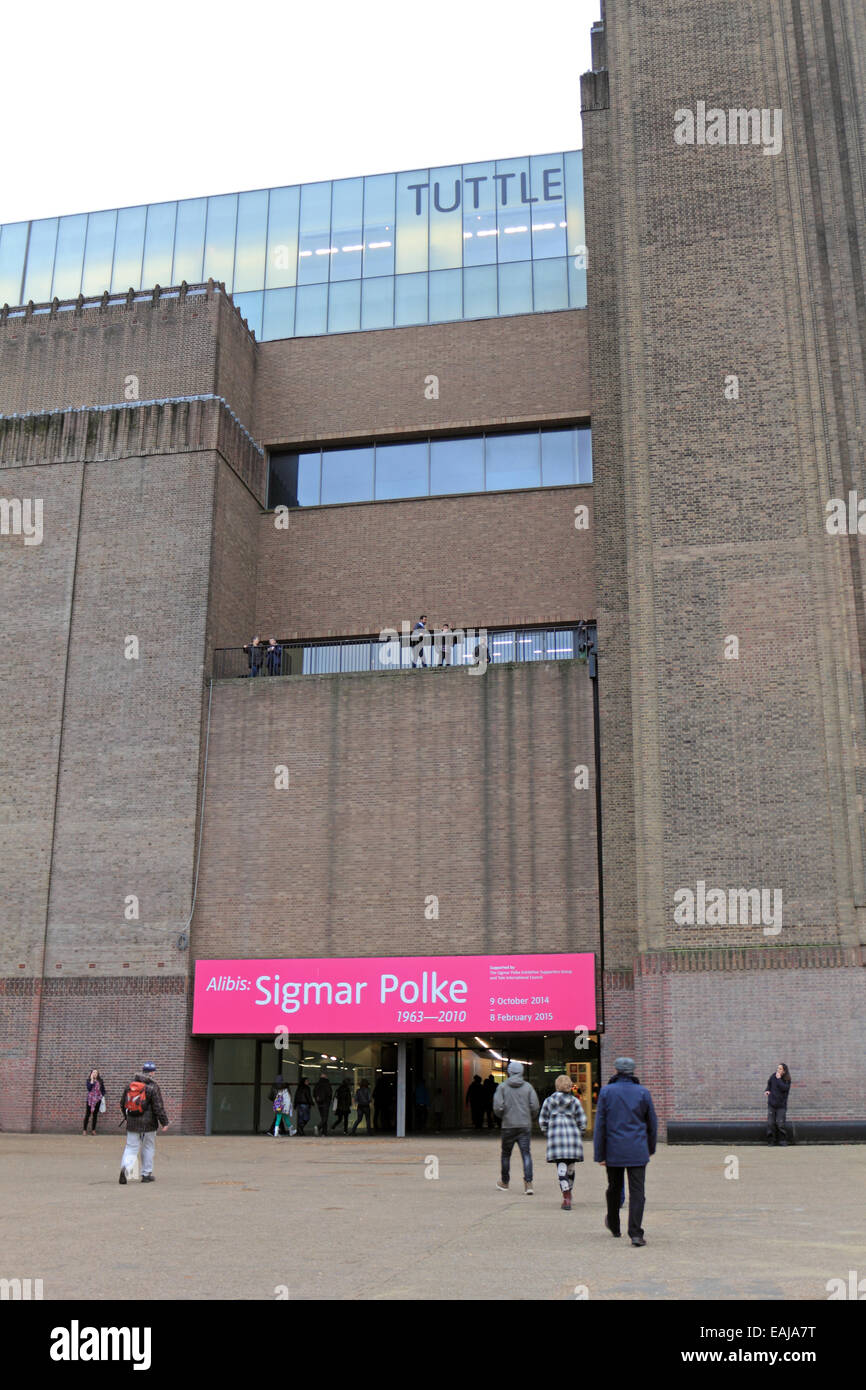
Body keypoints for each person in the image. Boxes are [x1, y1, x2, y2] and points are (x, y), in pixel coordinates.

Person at [593, 1056, 658, 1246]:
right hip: (637, 1150)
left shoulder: (606, 1092)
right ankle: (636, 1233)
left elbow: (600, 1126)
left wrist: (600, 1154)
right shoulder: (643, 1092)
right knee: (638, 1192)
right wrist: (650, 1149)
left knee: (614, 1188)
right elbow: (652, 1124)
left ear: (616, 1070)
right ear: (632, 1071)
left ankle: (614, 1224)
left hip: (613, 1150)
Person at [539, 1075, 587, 1210]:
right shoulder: (575, 1101)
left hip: (556, 1138)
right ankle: (569, 1192)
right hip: (573, 1138)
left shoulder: (549, 1101)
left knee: (561, 1166)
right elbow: (582, 1120)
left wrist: (547, 1132)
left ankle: (566, 1196)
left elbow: (543, 1120)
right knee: (571, 1168)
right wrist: (581, 1132)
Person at [119, 1061, 169, 1185]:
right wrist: (164, 1122)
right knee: (148, 1147)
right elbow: (158, 1107)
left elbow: (122, 1103)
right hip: (149, 1124)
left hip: (132, 1123)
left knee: (131, 1147)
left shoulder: (130, 1085)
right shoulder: (153, 1087)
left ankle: (126, 1167)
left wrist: (128, 1117)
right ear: (152, 1072)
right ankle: (146, 1174)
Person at [493, 1061, 540, 1195]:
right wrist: (530, 1117)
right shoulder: (528, 1087)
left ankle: (505, 1182)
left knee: (506, 1155)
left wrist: (503, 1116)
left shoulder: (502, 1087)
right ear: (521, 1072)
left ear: (509, 1072)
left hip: (508, 1125)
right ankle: (528, 1183)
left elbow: (497, 1107)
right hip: (525, 1125)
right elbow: (535, 1106)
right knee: (526, 1154)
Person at [765, 1063, 792, 1146]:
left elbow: (785, 1088)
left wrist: (779, 1079)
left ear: (784, 1071)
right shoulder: (773, 1076)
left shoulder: (787, 1079)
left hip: (781, 1106)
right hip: (772, 1104)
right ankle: (771, 1141)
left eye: (780, 1069)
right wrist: (767, 1090)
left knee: (780, 1123)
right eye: (778, 1068)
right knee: (770, 1123)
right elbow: (769, 1084)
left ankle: (782, 1141)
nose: (778, 1070)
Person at [83, 1068, 106, 1134]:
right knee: (87, 1115)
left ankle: (93, 1130)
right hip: (90, 1100)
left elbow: (103, 1090)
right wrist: (92, 1080)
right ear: (91, 1073)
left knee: (95, 1115)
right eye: (93, 1072)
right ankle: (84, 1130)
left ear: (98, 1074)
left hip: (97, 1100)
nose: (95, 1074)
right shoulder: (89, 1080)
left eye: (96, 1072)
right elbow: (89, 1088)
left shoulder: (100, 1081)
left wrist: (101, 1095)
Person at [314, 1072, 333, 1136]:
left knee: (323, 1118)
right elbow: (330, 1093)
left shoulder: (317, 1084)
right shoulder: (327, 1084)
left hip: (319, 1103)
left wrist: (317, 1101)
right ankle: (318, 1127)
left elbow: (314, 1093)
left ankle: (324, 1133)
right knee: (325, 1118)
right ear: (325, 1077)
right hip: (326, 1103)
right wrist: (329, 1101)